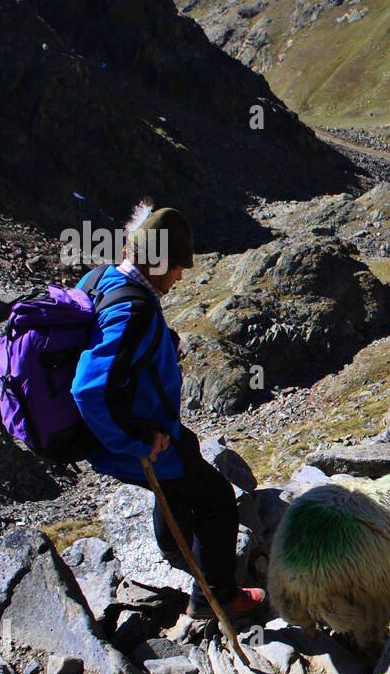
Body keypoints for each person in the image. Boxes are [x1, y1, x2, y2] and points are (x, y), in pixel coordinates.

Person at [70, 205, 266, 620]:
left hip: (143, 431)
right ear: (157, 261)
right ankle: (215, 598)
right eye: (177, 267)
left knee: (187, 460)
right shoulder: (132, 309)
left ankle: (174, 548)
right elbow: (88, 389)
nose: (181, 276)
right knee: (215, 497)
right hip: (132, 441)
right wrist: (135, 442)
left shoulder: (106, 278)